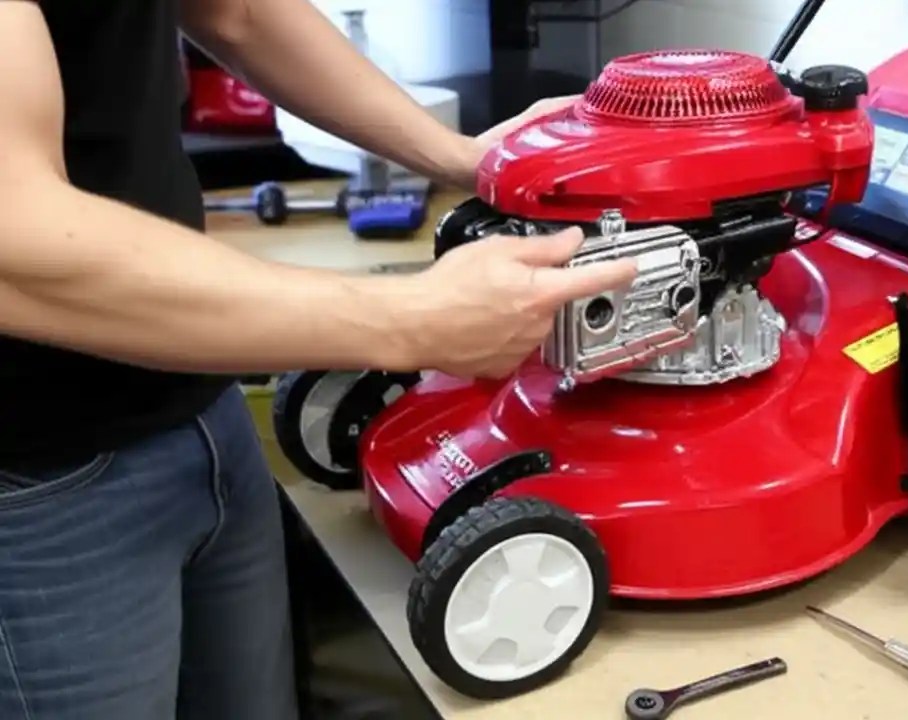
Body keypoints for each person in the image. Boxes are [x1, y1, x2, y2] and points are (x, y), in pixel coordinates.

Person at [0, 1, 637, 718]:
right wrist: (411, 322)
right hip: (44, 480)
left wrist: (467, 157)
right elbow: (13, 246)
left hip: (202, 413)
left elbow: (234, 11)